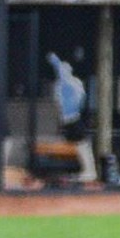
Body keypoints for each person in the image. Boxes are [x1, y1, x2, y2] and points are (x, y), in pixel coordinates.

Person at [48, 50, 97, 186]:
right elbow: (58, 102)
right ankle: (87, 171)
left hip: (74, 118)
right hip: (66, 120)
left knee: (83, 144)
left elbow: (78, 96)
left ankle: (89, 172)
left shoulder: (74, 82)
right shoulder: (59, 85)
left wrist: (56, 61)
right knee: (79, 144)